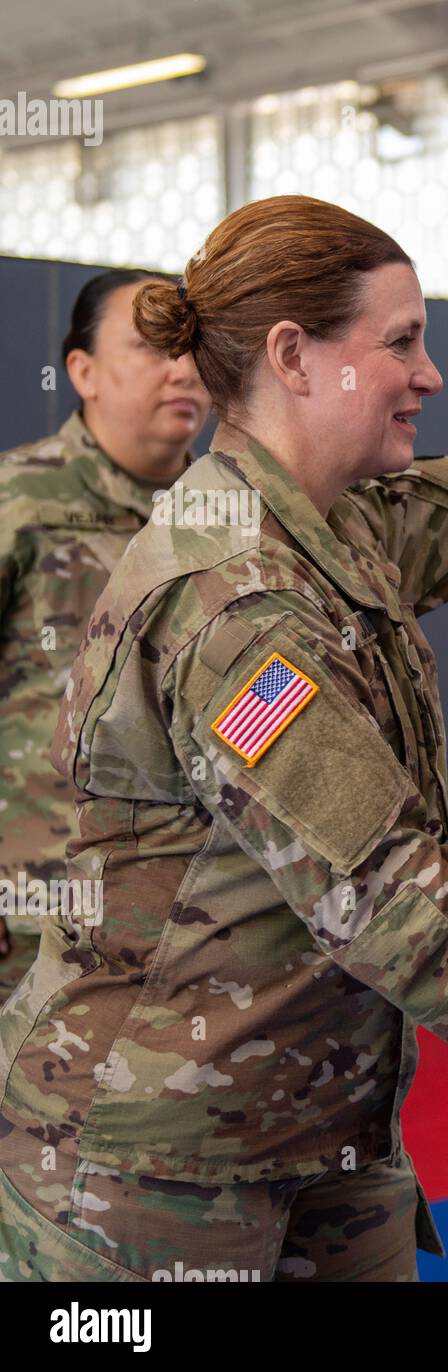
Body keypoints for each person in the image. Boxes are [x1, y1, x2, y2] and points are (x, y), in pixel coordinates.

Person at [0, 191, 448, 1282]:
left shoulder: (331, 520)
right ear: (295, 356)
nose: (430, 374)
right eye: (400, 342)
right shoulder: (238, 602)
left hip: (312, 1135)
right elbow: (401, 909)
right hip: (159, 1183)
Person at [0, 271, 210, 1000]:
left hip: (193, 922)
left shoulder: (229, 515)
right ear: (82, 370)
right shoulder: (21, 501)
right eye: (154, 349)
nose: (184, 370)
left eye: (192, 348)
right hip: (31, 914)